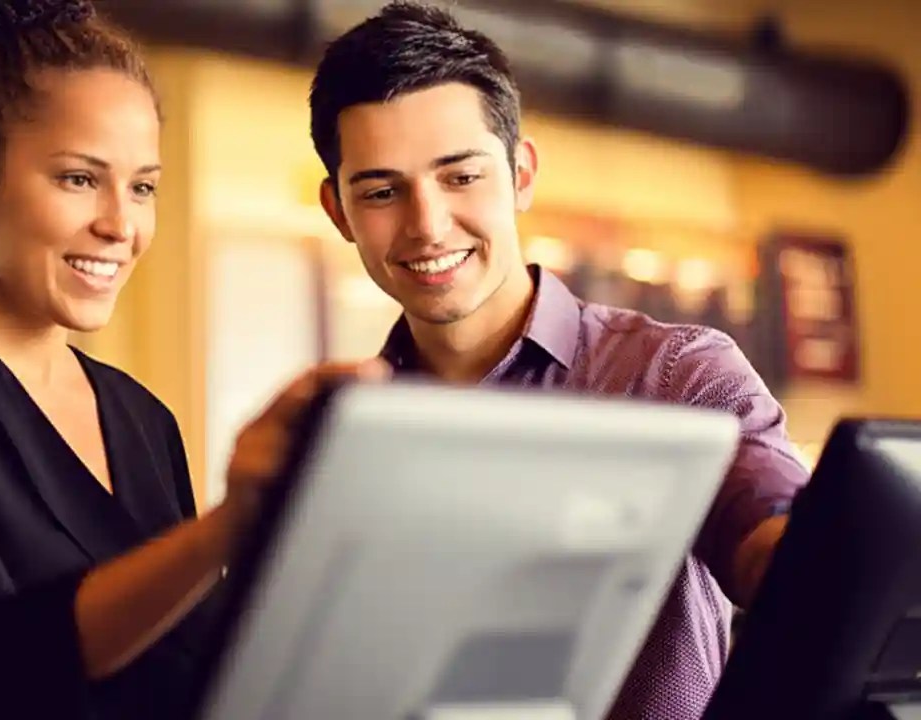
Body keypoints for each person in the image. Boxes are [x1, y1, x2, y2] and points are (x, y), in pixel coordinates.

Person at [0, 2, 382, 718]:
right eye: (78, 178)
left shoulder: (142, 421)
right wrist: (226, 528)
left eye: (143, 187)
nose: (121, 225)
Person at [305, 3, 808, 718]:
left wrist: (819, 562)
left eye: (461, 176)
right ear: (338, 210)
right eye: (382, 191)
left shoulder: (678, 374)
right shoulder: (331, 433)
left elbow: (774, 534)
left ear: (521, 172)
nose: (426, 224)